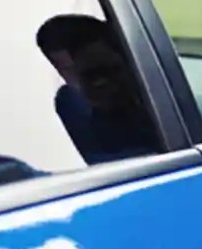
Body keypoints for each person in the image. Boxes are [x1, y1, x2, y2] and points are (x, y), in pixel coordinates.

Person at [36, 14, 156, 164]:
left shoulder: (154, 100)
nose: (98, 82)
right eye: (87, 75)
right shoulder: (73, 105)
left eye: (109, 71)